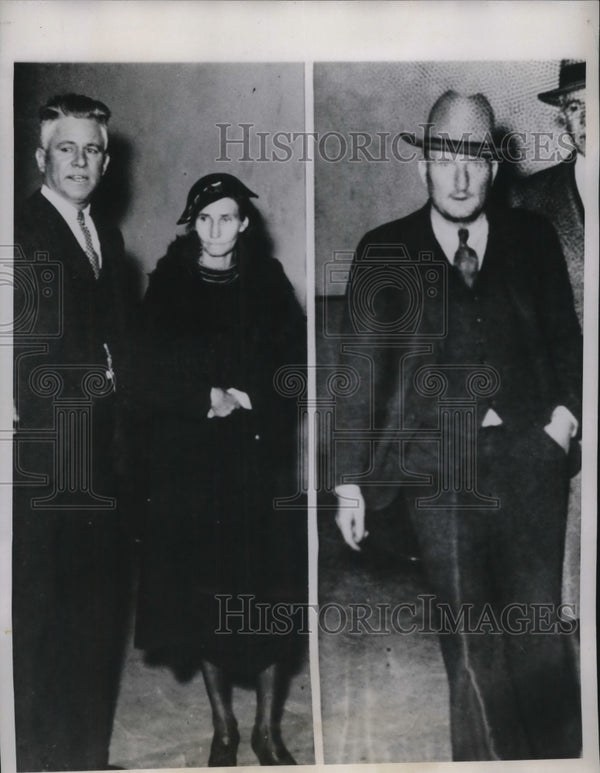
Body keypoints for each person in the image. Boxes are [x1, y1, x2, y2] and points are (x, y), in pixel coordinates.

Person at [334, 91, 582, 759]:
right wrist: (348, 483)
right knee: (471, 645)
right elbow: (358, 373)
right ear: (424, 167)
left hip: (533, 468)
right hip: (438, 477)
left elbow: (568, 341)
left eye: (475, 158)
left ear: (493, 169)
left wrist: (563, 422)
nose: (462, 176)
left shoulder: (532, 239)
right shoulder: (384, 250)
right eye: (447, 158)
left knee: (539, 641)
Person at [133, 173, 307, 767]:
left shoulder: (270, 281)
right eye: (204, 219)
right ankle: (225, 727)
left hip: (257, 461)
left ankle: (266, 730)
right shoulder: (168, 284)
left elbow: (292, 366)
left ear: (245, 224)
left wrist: (251, 396)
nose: (215, 230)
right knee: (204, 599)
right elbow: (148, 367)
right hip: (192, 463)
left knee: (266, 595)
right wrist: (207, 395)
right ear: (192, 225)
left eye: (227, 218)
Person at [13, 94, 130, 770]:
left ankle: (86, 754)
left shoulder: (104, 237)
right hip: (48, 464)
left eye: (92, 150)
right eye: (67, 148)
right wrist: (102, 376)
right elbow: (26, 362)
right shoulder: (23, 234)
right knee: (44, 626)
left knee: (95, 619)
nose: (81, 160)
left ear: (105, 161)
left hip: (102, 460)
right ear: (41, 157)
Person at [508, 60, 586, 620]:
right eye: (576, 107)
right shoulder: (530, 202)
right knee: (564, 591)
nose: (586, 119)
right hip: (566, 404)